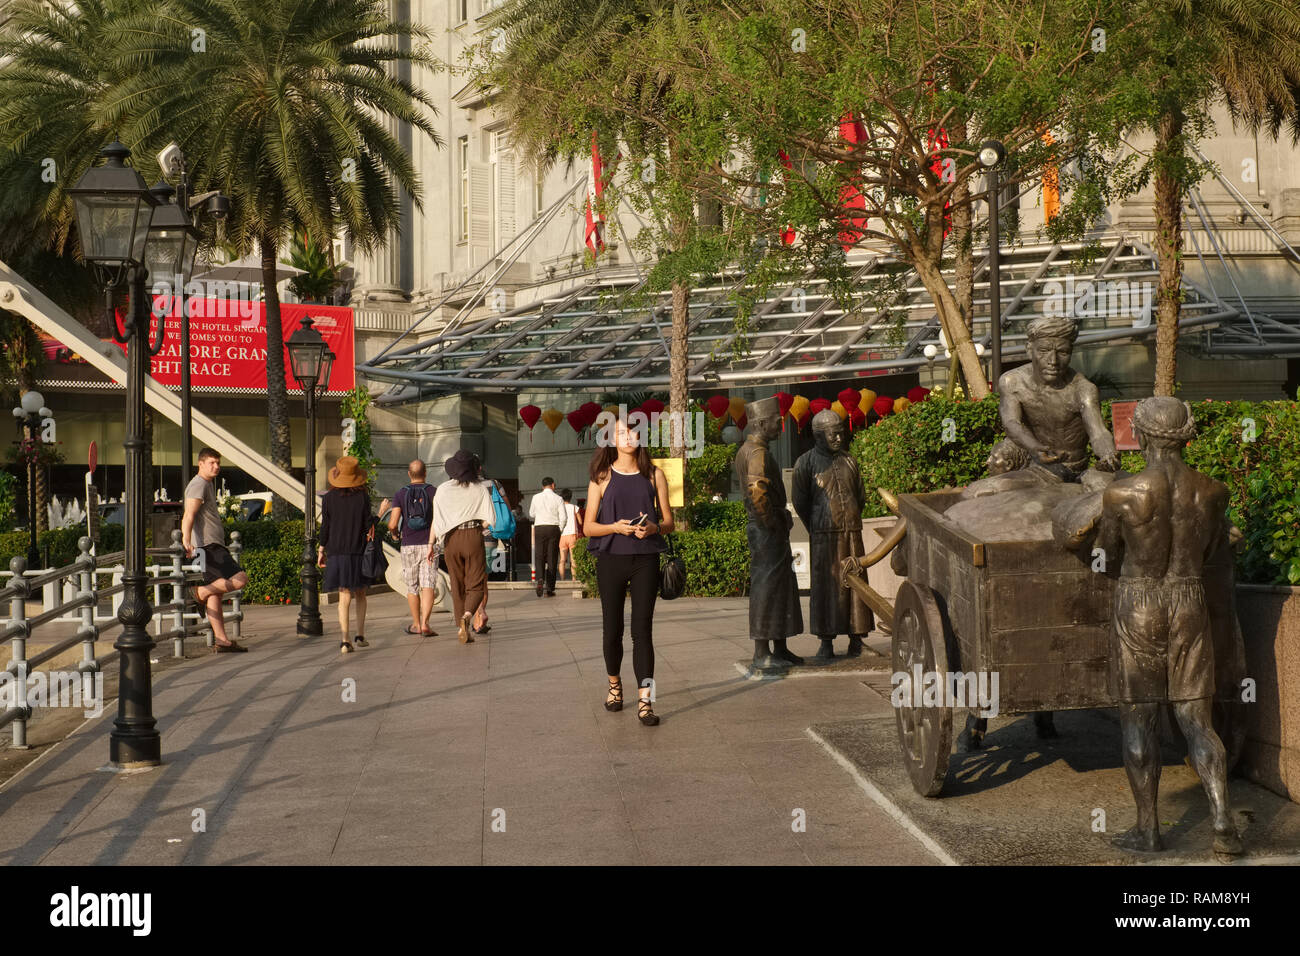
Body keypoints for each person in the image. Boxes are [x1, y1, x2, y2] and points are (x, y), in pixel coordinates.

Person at [1096, 397, 1241, 855]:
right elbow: (1215, 552)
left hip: (1139, 601)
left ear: (1139, 434)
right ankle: (1223, 823)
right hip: (1190, 599)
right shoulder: (1214, 492)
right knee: (1197, 720)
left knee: (1139, 715)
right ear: (1188, 433)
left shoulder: (1121, 493)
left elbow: (1106, 553)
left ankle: (1149, 829)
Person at [963, 316, 1119, 499]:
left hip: (1072, 469)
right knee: (979, 486)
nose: (1053, 360)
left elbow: (1098, 432)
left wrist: (1108, 454)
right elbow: (1011, 423)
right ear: (1030, 350)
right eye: (1044, 350)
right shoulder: (1012, 382)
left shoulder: (1083, 390)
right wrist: (1035, 448)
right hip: (1037, 462)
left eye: (1062, 352)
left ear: (1071, 352)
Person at [585, 418, 673, 726]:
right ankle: (614, 687)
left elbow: (669, 521)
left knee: (642, 632)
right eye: (621, 433)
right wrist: (614, 527)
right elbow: (587, 527)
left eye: (633, 432)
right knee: (612, 630)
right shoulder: (601, 477)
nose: (628, 438)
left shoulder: (654, 474)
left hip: (645, 559)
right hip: (610, 559)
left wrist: (653, 528)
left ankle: (646, 701)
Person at [792, 409, 873, 660]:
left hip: (851, 531)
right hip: (823, 533)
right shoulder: (805, 463)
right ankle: (825, 641)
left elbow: (860, 496)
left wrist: (850, 517)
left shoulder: (850, 460)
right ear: (818, 436)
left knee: (856, 584)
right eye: (832, 435)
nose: (839, 438)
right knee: (826, 587)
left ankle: (857, 640)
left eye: (841, 433)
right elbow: (800, 501)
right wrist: (817, 524)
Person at [736, 395, 804, 672]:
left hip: (769, 528)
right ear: (762, 423)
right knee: (766, 588)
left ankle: (780, 646)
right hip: (766, 530)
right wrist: (773, 522)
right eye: (777, 421)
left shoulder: (754, 450)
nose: (781, 425)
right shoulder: (756, 453)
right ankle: (762, 652)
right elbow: (757, 493)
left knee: (780, 586)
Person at [181, 448, 248, 653]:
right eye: (211, 462)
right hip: (207, 547)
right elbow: (189, 514)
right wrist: (186, 539)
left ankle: (222, 641)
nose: (216, 466)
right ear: (200, 464)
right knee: (240, 578)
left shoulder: (206, 484)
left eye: (218, 463)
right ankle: (198, 592)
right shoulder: (198, 484)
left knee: (215, 594)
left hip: (210, 546)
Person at [430, 450, 495, 644]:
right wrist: (475, 527)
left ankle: (461, 626)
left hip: (451, 539)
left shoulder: (442, 489)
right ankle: (467, 616)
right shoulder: (480, 488)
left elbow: (437, 519)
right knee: (475, 584)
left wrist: (433, 543)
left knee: (456, 584)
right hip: (473, 536)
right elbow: (490, 519)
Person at [317, 456, 375, 654]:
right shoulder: (363, 498)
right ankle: (360, 635)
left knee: (344, 595)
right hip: (358, 551)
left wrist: (321, 549)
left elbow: (325, 527)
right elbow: (369, 525)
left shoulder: (328, 499)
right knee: (360, 593)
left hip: (337, 552)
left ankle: (345, 640)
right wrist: (380, 512)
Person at [388, 459, 438, 637]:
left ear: (409, 474)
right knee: (428, 584)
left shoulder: (400, 494)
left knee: (412, 586)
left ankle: (416, 623)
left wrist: (395, 535)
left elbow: (393, 523)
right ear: (425, 473)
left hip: (408, 544)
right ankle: (426, 623)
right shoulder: (433, 492)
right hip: (430, 544)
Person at [528, 477, 566, 597]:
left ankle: (540, 579)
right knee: (552, 558)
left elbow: (531, 513)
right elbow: (563, 517)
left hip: (539, 527)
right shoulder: (558, 498)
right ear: (553, 485)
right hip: (553, 528)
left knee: (539, 556)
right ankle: (550, 588)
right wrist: (560, 529)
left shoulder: (535, 497)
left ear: (542, 486)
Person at [557, 488, 581, 581]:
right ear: (570, 497)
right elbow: (580, 521)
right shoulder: (574, 507)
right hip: (572, 535)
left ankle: (562, 579)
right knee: (573, 560)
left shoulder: (559, 508)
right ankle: (574, 579)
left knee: (562, 560)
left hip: (562, 536)